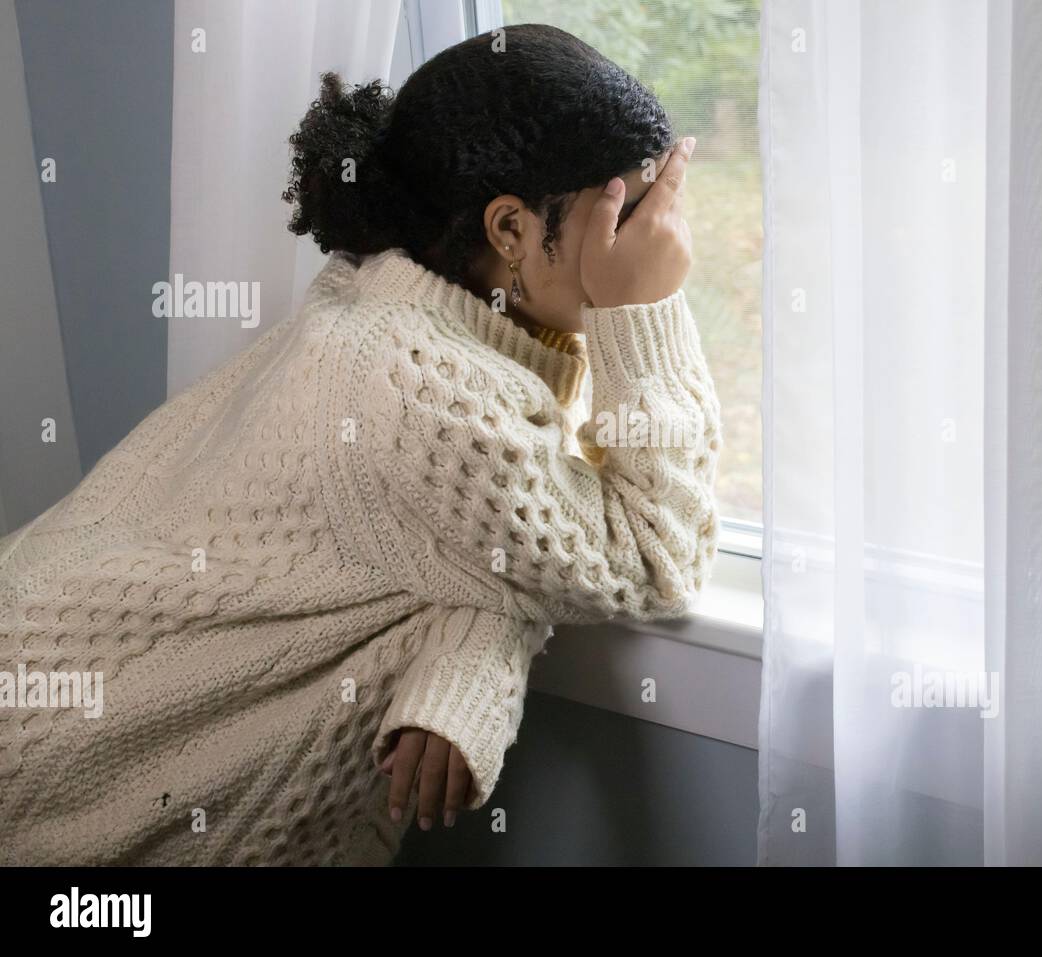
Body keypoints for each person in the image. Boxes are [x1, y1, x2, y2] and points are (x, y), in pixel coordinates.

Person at [0, 23, 721, 865]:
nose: (655, 238)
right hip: (44, 749)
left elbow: (477, 557)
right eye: (628, 211)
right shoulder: (426, 393)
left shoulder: (384, 304)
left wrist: (471, 656)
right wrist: (645, 312)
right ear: (511, 230)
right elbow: (652, 553)